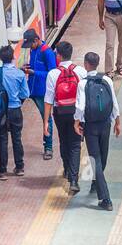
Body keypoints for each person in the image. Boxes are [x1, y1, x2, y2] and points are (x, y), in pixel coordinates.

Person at [74, 51, 121, 211]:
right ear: (98, 63)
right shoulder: (106, 79)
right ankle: (97, 183)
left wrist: (76, 122)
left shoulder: (83, 84)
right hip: (106, 124)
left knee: (96, 159)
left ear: (86, 64)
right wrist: (118, 122)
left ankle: (106, 199)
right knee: (103, 156)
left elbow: (80, 107)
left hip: (91, 127)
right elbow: (114, 102)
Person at [44, 41, 85, 193]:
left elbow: (48, 100)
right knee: (75, 144)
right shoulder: (81, 72)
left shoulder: (53, 74)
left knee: (63, 141)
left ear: (59, 56)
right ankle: (73, 180)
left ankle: (67, 169)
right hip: (76, 113)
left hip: (59, 112)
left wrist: (45, 123)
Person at [0, 45, 30, 180]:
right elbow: (26, 93)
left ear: (1, 58)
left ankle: (2, 171)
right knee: (17, 139)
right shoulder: (19, 74)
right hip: (16, 110)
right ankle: (19, 168)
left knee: (3, 140)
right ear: (13, 57)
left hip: (1, 112)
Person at [21, 28, 58, 162]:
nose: (29, 47)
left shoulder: (47, 52)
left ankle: (48, 147)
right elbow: (35, 66)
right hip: (32, 90)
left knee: (46, 119)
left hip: (43, 92)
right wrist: (27, 67)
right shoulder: (34, 49)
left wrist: (34, 72)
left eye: (30, 44)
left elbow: (52, 73)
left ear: (36, 40)